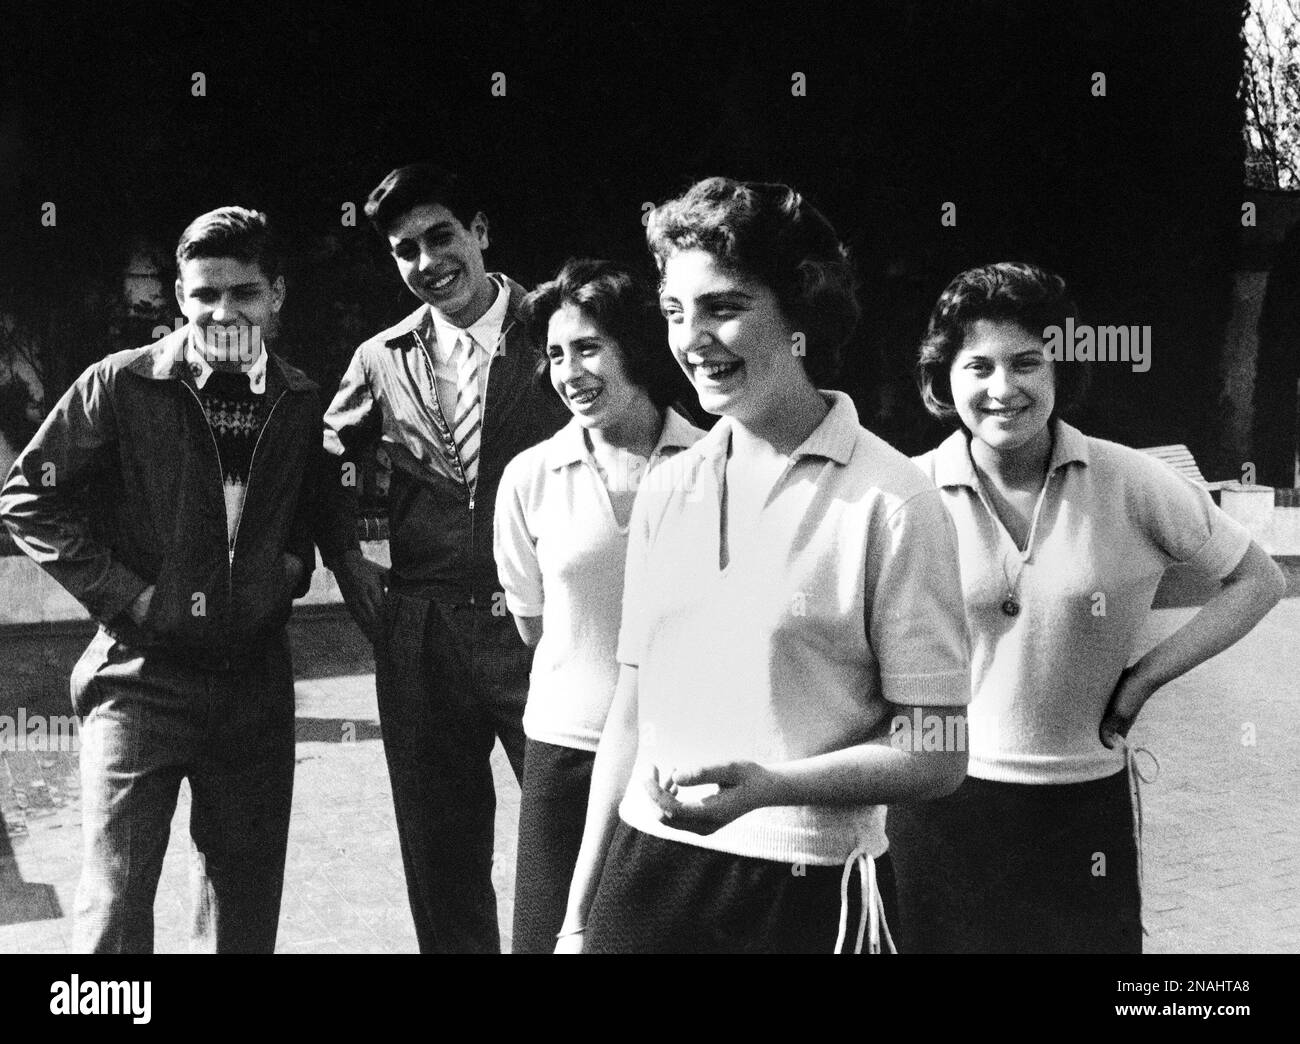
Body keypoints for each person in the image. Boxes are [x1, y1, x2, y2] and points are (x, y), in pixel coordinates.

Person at [555, 178, 972, 954]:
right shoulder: (668, 484)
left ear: (800, 310)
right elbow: (630, 715)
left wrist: (773, 788)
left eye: (723, 307)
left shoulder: (894, 501)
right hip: (644, 879)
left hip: (804, 892)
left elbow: (939, 751)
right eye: (676, 313)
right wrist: (579, 914)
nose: (691, 339)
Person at [890, 261, 1287, 953]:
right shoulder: (906, 491)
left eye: (1027, 363)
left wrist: (1141, 680)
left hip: (1080, 815)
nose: (1002, 388)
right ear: (943, 375)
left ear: (1059, 370)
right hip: (939, 811)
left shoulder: (1133, 481)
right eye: (977, 366)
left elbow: (1259, 582)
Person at [0, 207, 347, 952]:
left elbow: (312, 510)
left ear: (277, 294)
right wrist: (132, 596)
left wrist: (285, 573)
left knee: (243, 907)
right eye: (204, 294)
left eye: (245, 293)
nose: (224, 312)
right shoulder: (123, 384)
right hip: (139, 678)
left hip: (254, 683)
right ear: (180, 297)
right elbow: (28, 494)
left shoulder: (298, 399)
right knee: (117, 903)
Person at [322, 164, 568, 953]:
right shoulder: (380, 357)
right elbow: (324, 462)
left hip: (548, 629)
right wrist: (349, 564)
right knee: (442, 857)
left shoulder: (560, 330)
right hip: (423, 632)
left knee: (577, 835)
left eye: (442, 236)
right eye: (405, 250)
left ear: (481, 232)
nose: (428, 262)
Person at [493, 258, 706, 954]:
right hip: (563, 752)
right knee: (548, 940)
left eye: (587, 348)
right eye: (555, 355)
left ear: (635, 349)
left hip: (682, 757)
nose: (569, 371)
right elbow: (533, 622)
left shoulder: (715, 466)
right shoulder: (529, 478)